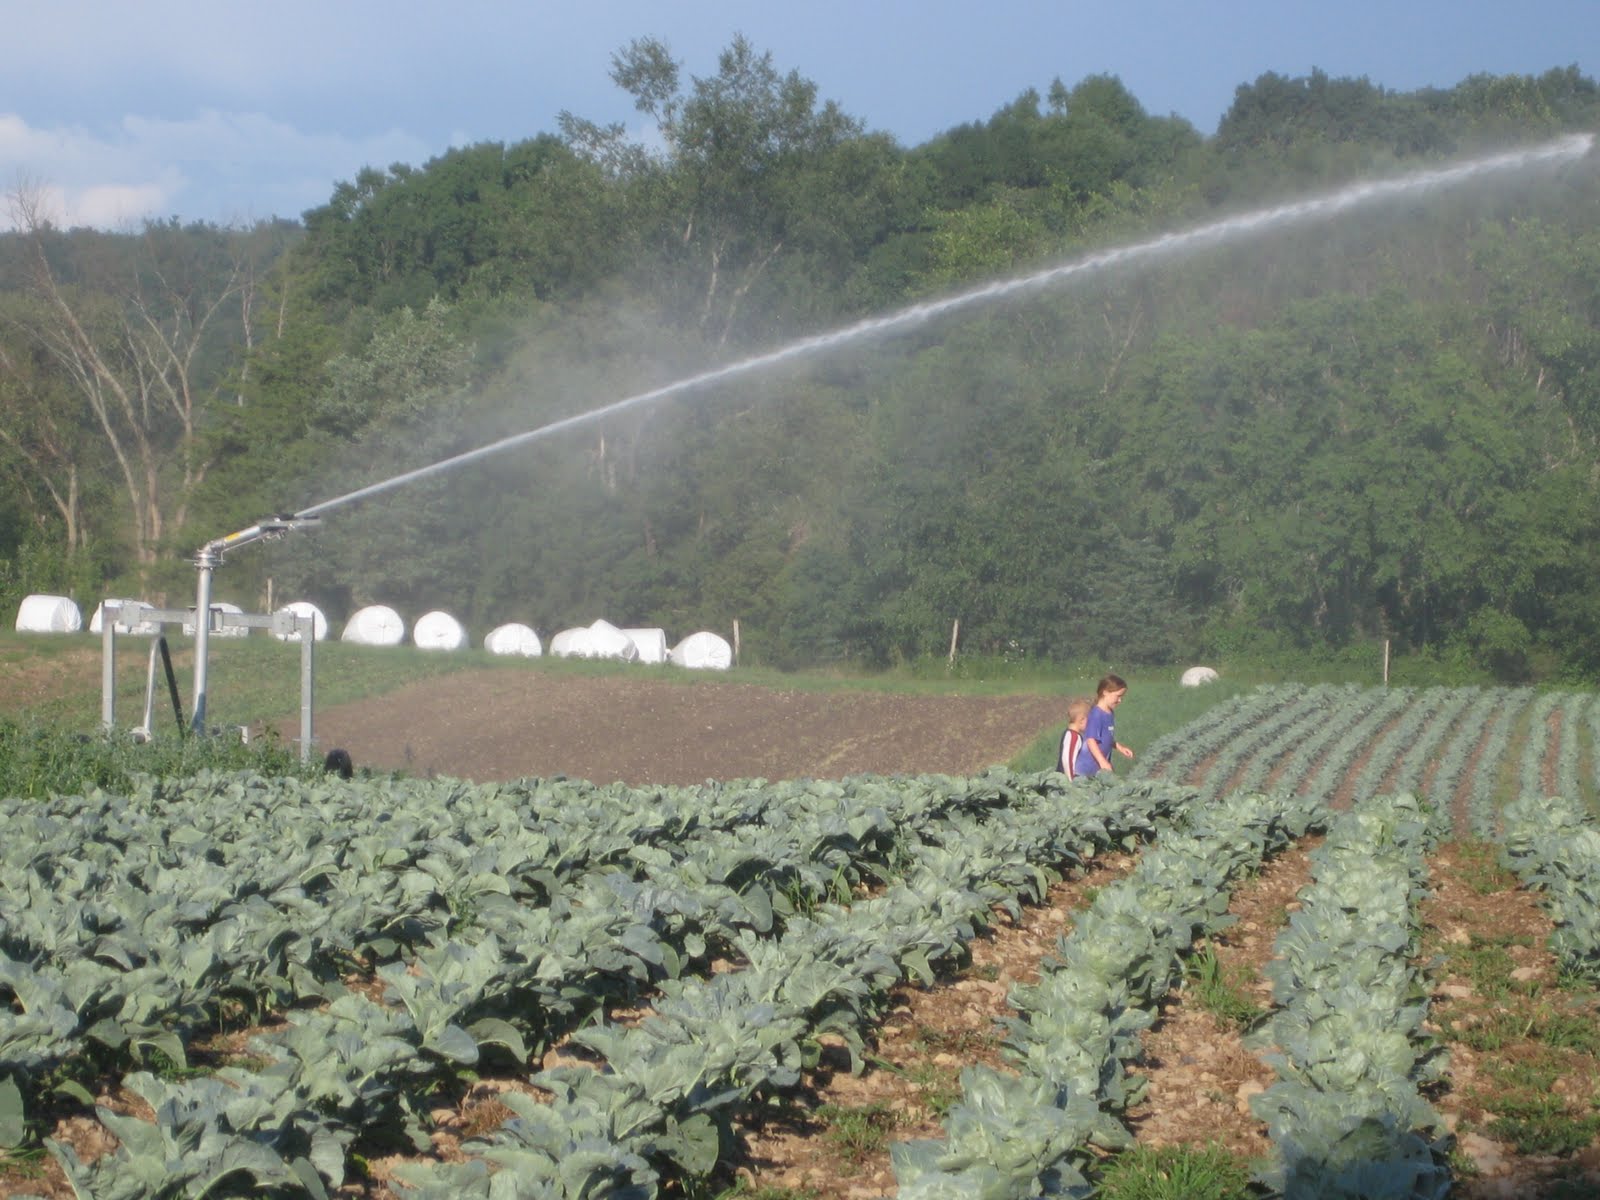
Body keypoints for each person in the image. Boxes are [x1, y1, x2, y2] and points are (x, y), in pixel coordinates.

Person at [1074, 674, 1135, 778]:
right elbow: (1091, 741)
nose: (1120, 700)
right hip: (1085, 771)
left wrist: (1120, 747)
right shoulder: (1096, 714)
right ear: (1105, 693)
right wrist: (1103, 762)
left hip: (1098, 769)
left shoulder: (1109, 713)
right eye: (1118, 696)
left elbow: (1106, 737)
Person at [1057, 697, 1091, 779]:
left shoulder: (1071, 734)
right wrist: (1071, 784)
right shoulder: (1073, 737)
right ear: (1082, 720)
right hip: (1066, 783)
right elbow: (1067, 760)